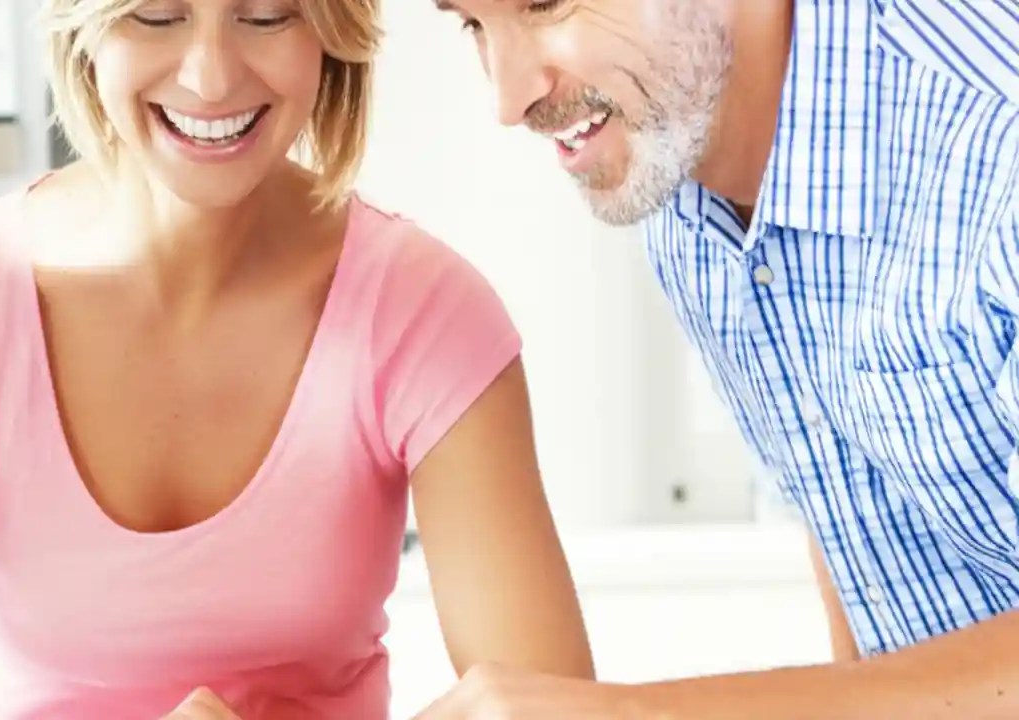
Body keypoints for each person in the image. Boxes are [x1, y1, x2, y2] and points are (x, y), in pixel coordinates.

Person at [0, 1, 594, 718]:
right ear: (87, 27)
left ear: (330, 30)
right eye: (157, 16)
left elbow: (549, 707)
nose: (210, 77)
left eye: (268, 16)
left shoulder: (425, 314)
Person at [415, 0, 1019, 718]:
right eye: (473, 25)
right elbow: (855, 531)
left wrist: (633, 715)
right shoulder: (684, 201)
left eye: (545, 4)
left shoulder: (994, 138)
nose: (509, 99)